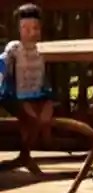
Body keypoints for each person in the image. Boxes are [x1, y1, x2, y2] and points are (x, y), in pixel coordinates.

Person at [1, 4, 54, 174]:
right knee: (31, 118)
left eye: (35, 28)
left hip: (37, 94)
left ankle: (26, 154)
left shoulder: (43, 50)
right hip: (14, 94)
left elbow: (45, 79)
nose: (31, 32)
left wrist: (49, 99)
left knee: (43, 116)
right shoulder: (14, 49)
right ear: (18, 29)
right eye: (25, 28)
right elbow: (2, 67)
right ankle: (25, 154)